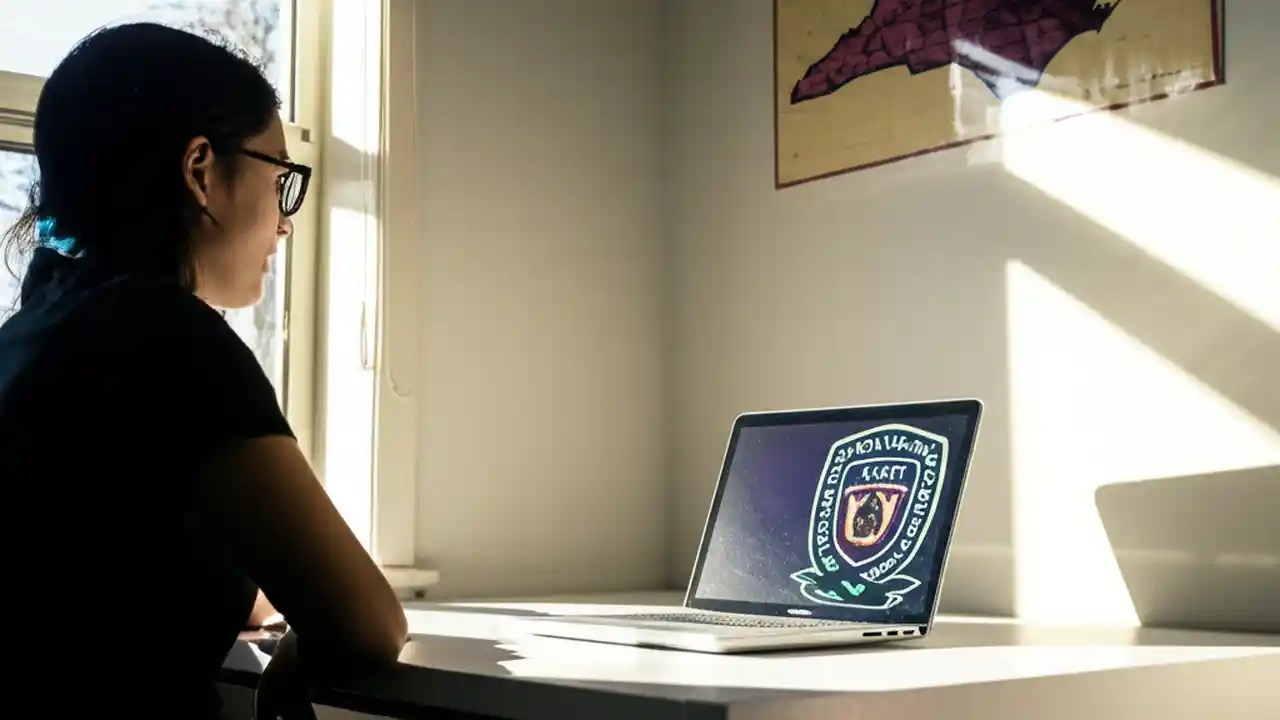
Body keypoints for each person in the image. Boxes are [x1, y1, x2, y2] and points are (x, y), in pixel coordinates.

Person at [0, 23, 407, 717]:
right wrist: (301, 651)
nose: (285, 223)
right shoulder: (165, 339)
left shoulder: (31, 338)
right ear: (200, 170)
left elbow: (107, 574)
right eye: (282, 179)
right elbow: (367, 626)